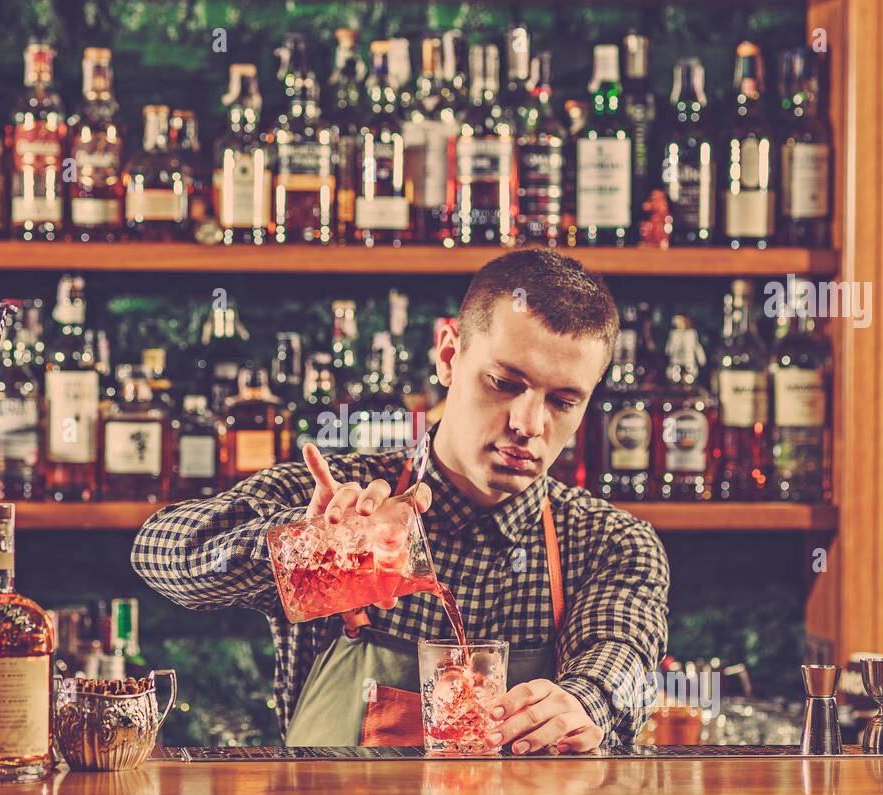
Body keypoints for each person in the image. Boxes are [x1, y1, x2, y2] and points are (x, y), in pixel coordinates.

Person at [132, 248, 670, 753]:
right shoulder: (342, 493)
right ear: (448, 355)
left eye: (563, 401)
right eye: (504, 383)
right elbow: (160, 552)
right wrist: (307, 544)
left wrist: (584, 701)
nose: (529, 425)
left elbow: (622, 658)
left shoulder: (610, 543)